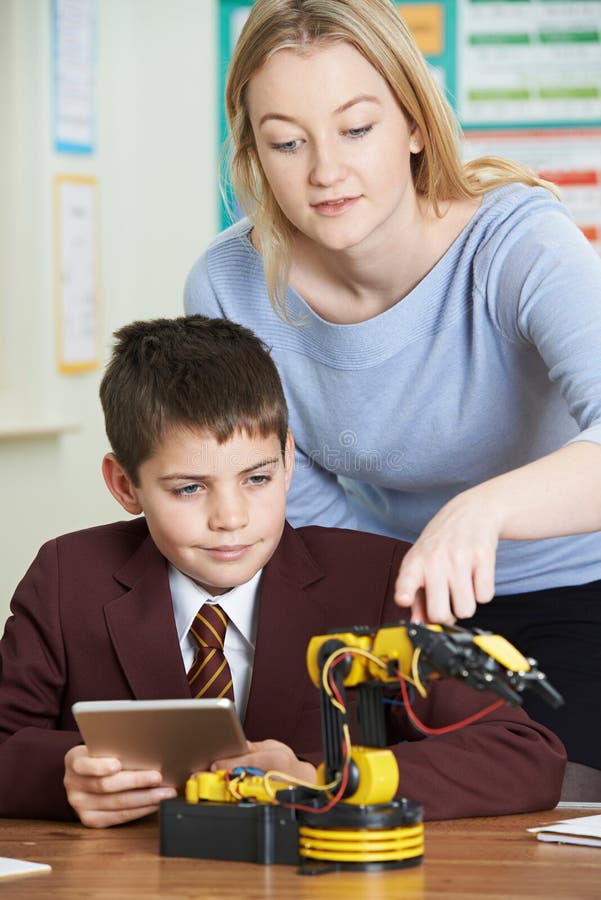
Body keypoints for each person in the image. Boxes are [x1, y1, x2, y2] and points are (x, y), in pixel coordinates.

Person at [184, 0, 601, 772]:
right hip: (384, 595)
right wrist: (396, 575)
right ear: (253, 154)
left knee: (544, 793)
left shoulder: (515, 243)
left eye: (356, 128)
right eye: (286, 141)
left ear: (413, 125)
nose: (325, 171)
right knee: (326, 790)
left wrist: (480, 511)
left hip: (574, 591)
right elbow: (281, 474)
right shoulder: (227, 284)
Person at [0, 315, 564, 827]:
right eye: (190, 488)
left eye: (257, 479)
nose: (231, 518)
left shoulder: (377, 580)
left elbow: (524, 753)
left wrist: (327, 780)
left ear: (289, 461)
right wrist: (65, 775)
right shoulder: (66, 578)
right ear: (126, 486)